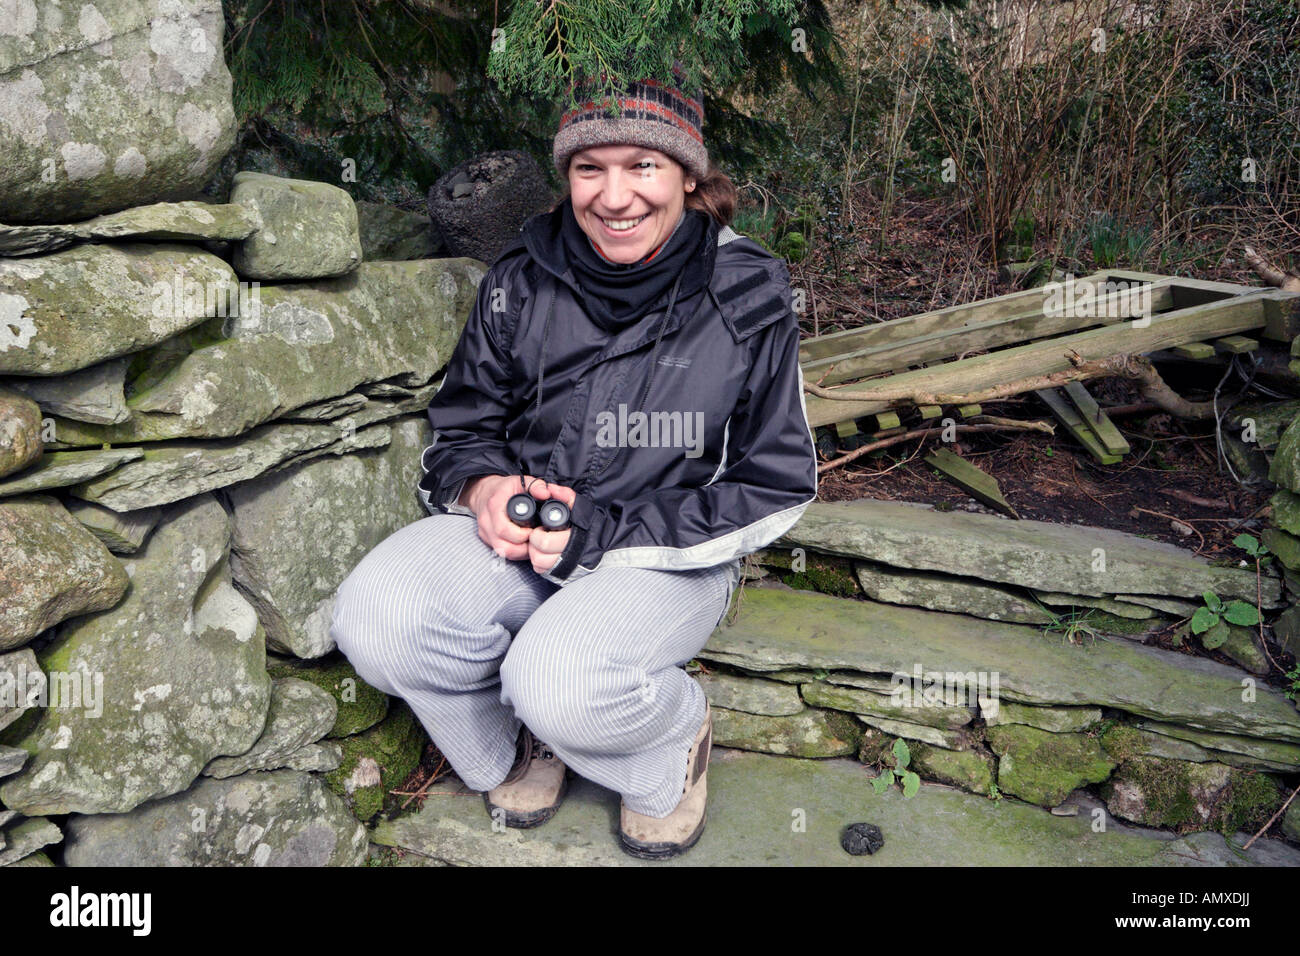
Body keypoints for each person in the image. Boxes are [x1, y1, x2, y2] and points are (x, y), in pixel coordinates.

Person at [330, 63, 818, 860]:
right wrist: (483, 485)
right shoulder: (523, 276)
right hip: (525, 540)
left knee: (561, 680)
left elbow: (777, 482)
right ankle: (521, 746)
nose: (614, 196)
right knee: (376, 616)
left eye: (643, 167)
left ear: (688, 176)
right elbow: (463, 421)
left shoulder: (747, 293)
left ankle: (669, 750)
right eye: (590, 168)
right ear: (567, 175)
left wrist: (605, 531)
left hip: (667, 556)